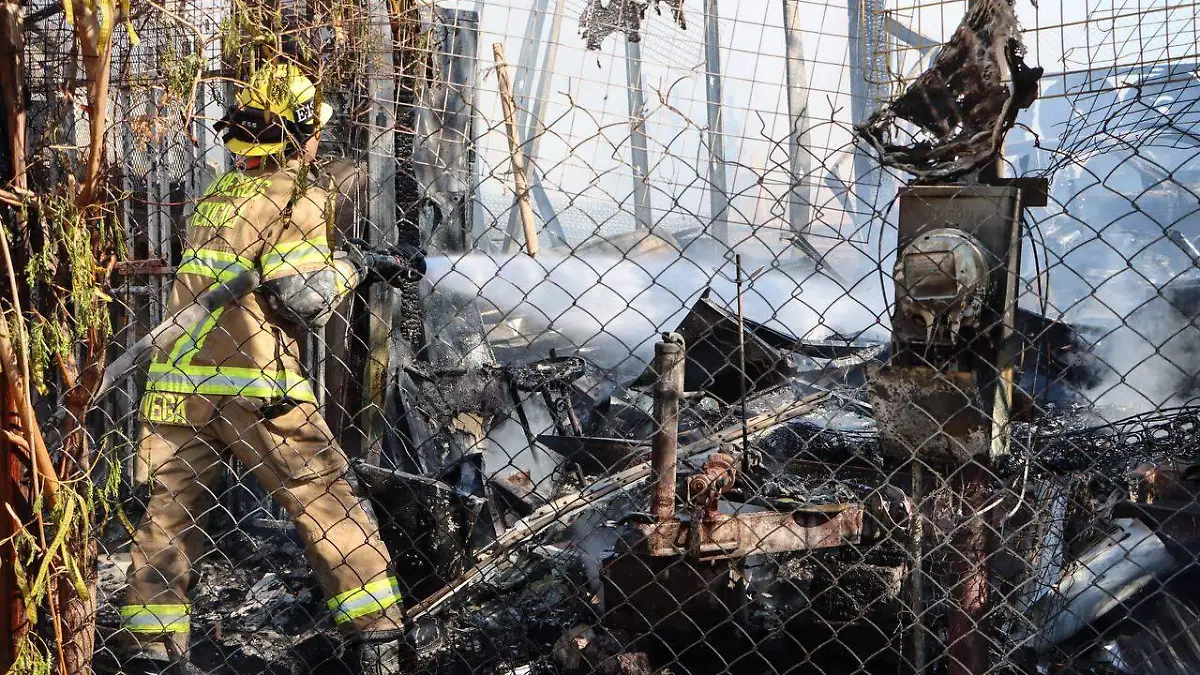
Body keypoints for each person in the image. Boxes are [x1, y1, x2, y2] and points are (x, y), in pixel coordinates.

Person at [118, 62, 433, 675]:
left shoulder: (219, 194)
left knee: (168, 517)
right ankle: (378, 642)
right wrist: (361, 266)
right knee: (325, 501)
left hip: (178, 387)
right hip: (259, 388)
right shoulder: (298, 196)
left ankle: (150, 651)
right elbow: (302, 299)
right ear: (300, 133)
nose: (320, 140)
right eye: (315, 128)